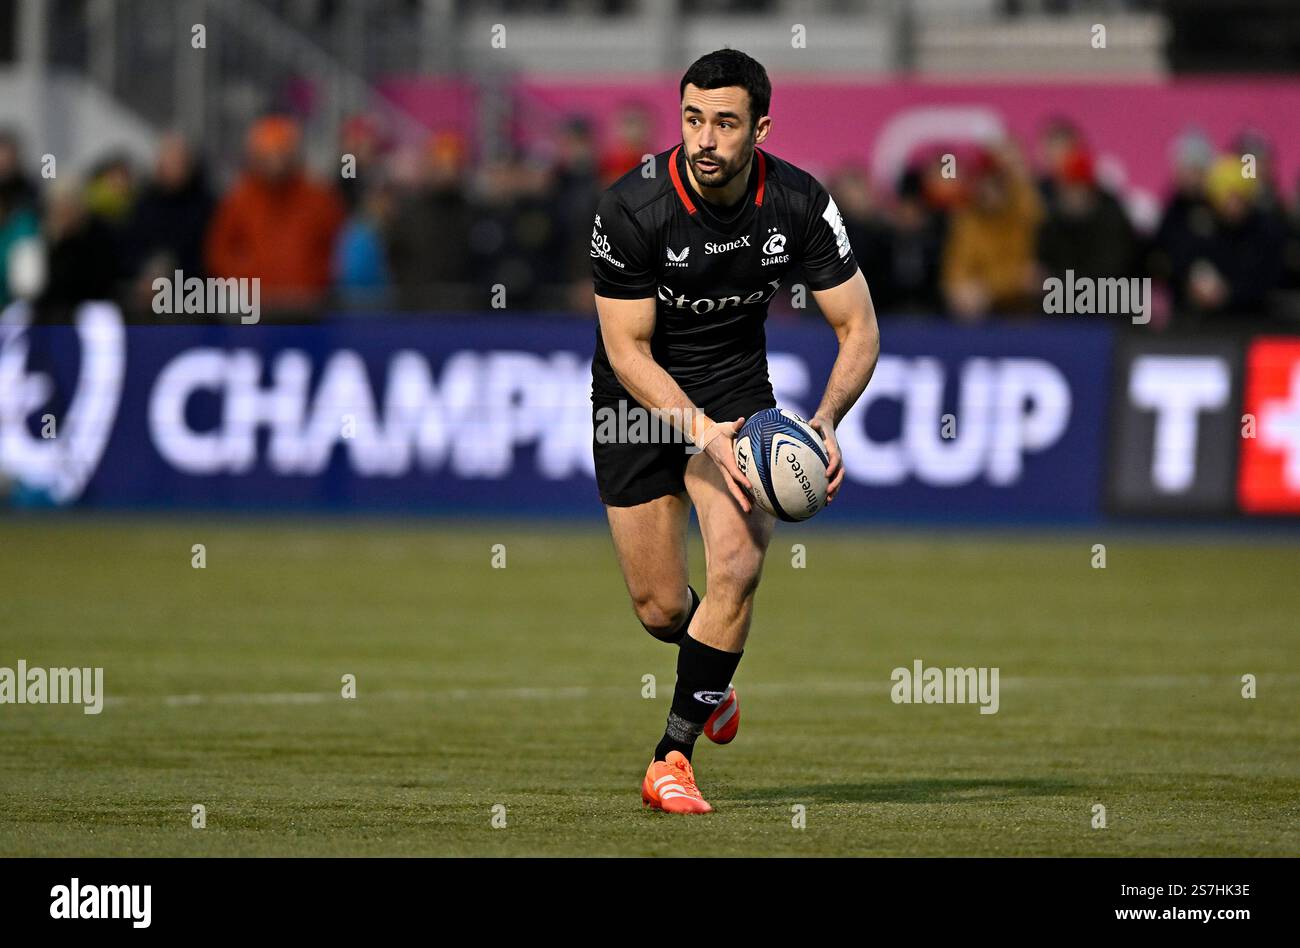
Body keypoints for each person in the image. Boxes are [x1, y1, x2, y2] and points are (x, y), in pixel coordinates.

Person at [590, 49, 880, 814]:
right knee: (658, 609)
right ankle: (709, 672)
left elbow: (859, 328)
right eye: (692, 119)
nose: (704, 139)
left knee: (738, 566)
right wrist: (699, 433)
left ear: (760, 128)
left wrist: (823, 423)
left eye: (724, 122)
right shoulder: (632, 207)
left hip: (739, 389)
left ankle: (670, 759)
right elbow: (627, 349)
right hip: (638, 397)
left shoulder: (799, 202)